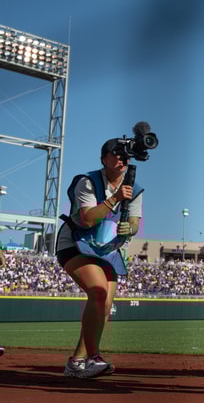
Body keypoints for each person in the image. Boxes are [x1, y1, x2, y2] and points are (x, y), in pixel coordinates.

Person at [56, 138, 143, 378]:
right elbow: (87, 219)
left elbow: (135, 223)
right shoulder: (87, 182)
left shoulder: (134, 189)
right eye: (114, 154)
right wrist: (114, 198)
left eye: (124, 155)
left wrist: (131, 229)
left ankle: (77, 361)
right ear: (103, 159)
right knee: (98, 292)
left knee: (104, 306)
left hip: (107, 249)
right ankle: (92, 357)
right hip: (75, 244)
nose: (121, 158)